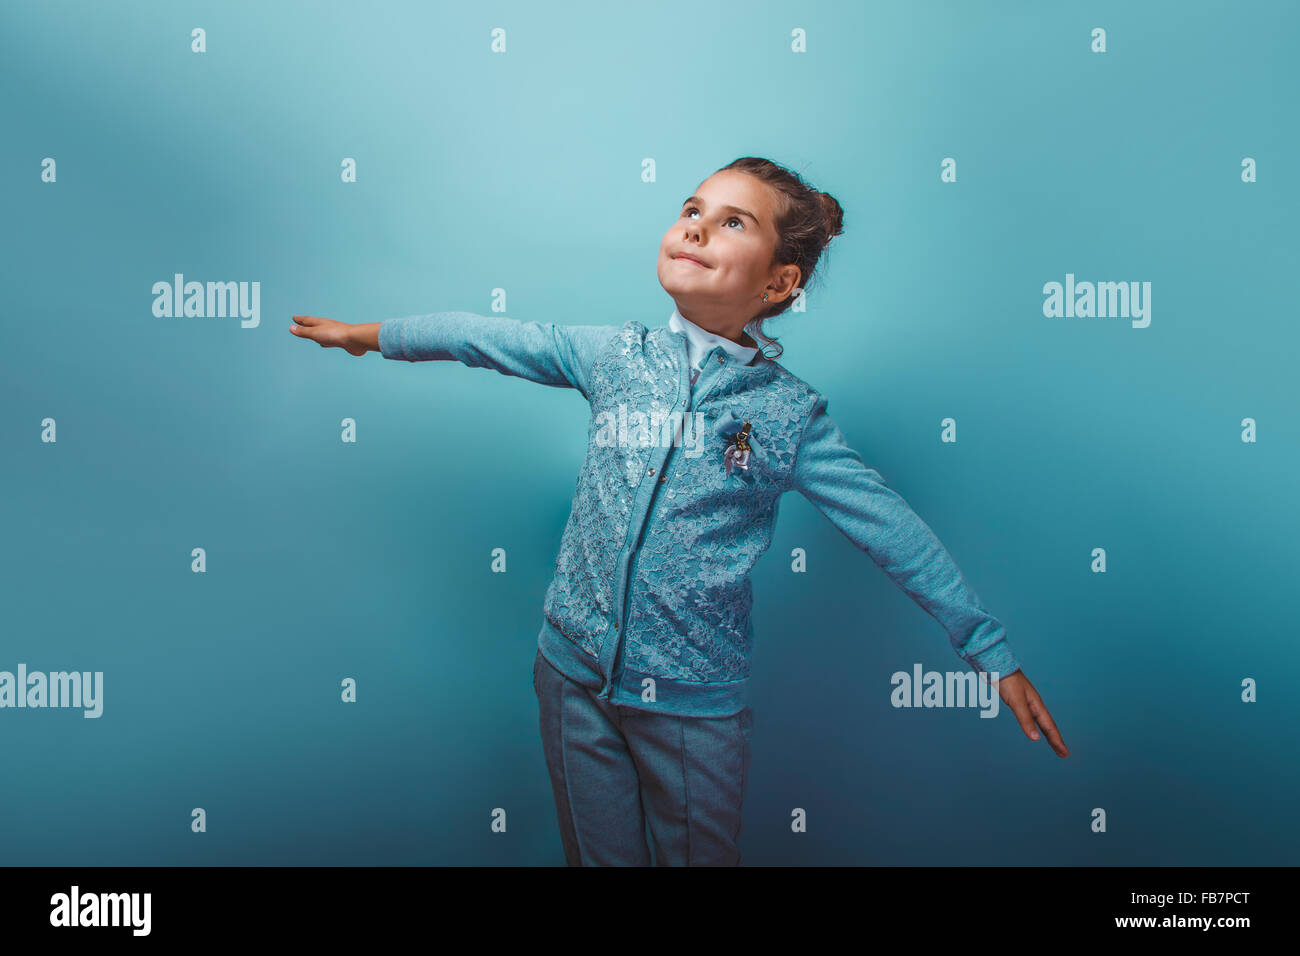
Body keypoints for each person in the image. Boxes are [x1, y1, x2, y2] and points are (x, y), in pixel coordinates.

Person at [290, 156, 1069, 866]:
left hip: (693, 706)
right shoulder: (613, 356)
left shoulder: (788, 416)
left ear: (778, 283)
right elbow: (487, 337)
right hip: (573, 677)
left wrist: (988, 648)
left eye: (733, 221)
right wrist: (369, 337)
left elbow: (890, 528)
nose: (696, 224)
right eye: (692, 208)